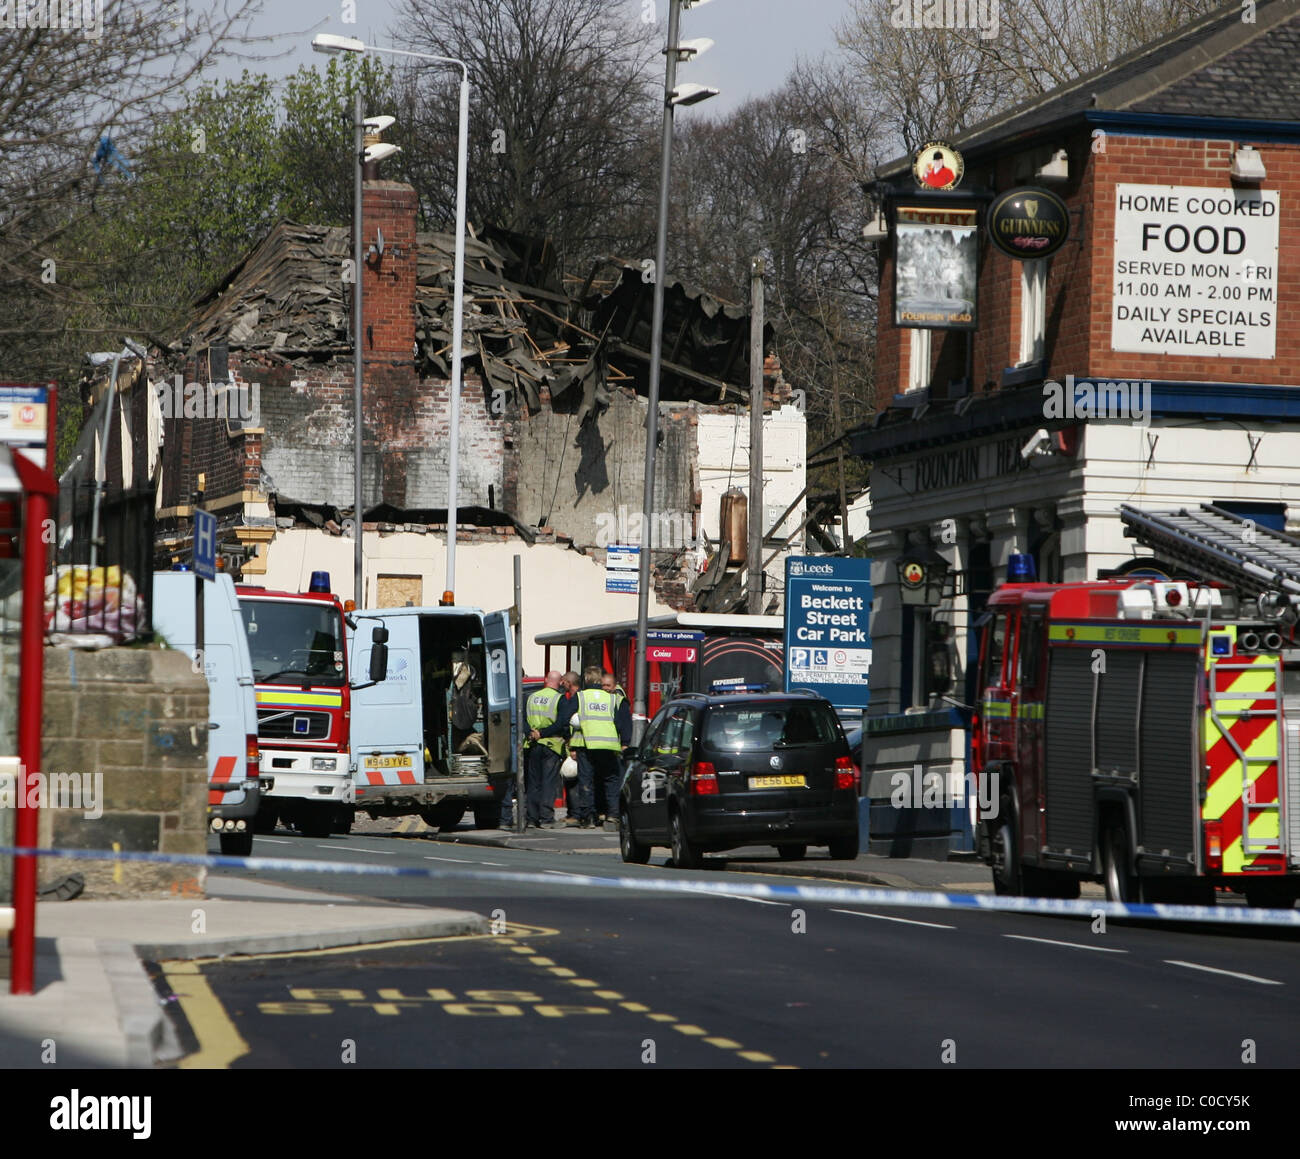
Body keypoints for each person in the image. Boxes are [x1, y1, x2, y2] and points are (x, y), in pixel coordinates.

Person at [572, 665, 632, 830]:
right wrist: (624, 742)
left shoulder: (581, 697)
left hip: (586, 745)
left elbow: (568, 717)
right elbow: (621, 723)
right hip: (609, 745)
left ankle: (589, 818)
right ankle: (613, 815)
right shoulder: (613, 700)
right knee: (611, 780)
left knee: (587, 781)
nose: (606, 688)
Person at [524, 671, 566, 829]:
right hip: (550, 744)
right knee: (548, 782)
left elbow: (524, 719)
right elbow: (560, 723)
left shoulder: (532, 697)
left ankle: (531, 818)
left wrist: (532, 733)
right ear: (560, 682)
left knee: (534, 782)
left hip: (533, 744)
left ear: (546, 680)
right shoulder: (559, 698)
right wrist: (542, 733)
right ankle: (546, 818)